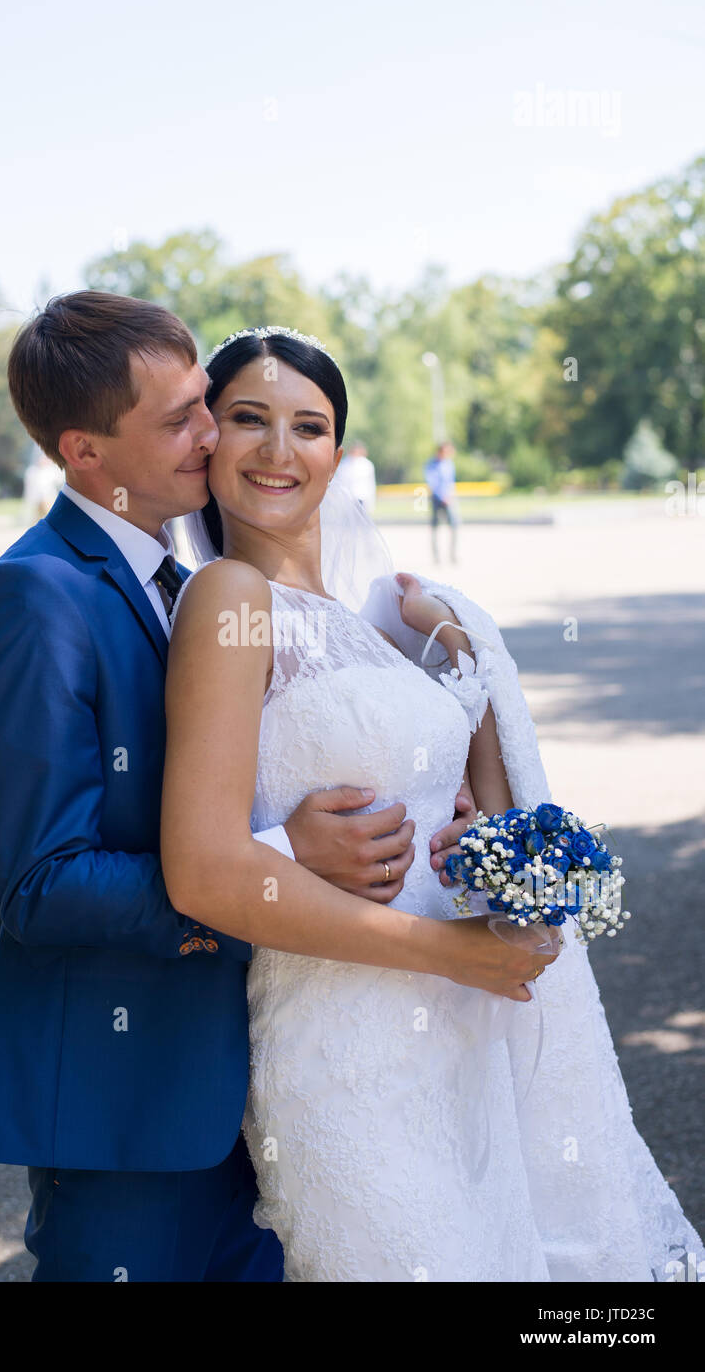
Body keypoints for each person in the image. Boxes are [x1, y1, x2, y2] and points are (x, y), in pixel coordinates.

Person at [0, 292, 496, 1284]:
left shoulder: (194, 580)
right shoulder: (31, 599)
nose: (212, 435)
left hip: (270, 1076)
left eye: (207, 402)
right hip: (128, 1112)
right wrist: (284, 853)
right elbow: (39, 883)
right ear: (86, 453)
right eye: (182, 420)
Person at [160, 325, 704, 1282]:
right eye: (249, 418)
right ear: (209, 437)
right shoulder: (227, 598)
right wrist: (450, 951)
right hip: (347, 1040)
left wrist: (461, 644)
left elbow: (494, 814)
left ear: (340, 453)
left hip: (463, 1021)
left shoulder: (379, 617)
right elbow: (205, 870)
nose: (279, 451)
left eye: (309, 426)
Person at [424, 439, 459, 563]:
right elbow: (432, 483)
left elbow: (451, 481)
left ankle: (453, 555)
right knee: (435, 528)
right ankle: (436, 557)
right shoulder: (431, 464)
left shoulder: (449, 463)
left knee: (454, 526)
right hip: (437, 499)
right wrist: (442, 496)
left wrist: (450, 495)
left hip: (449, 499)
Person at [336, 440, 376, 513]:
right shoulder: (344, 464)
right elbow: (340, 481)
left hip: (361, 496)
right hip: (347, 498)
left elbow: (370, 484)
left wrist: (370, 502)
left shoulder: (367, 464)